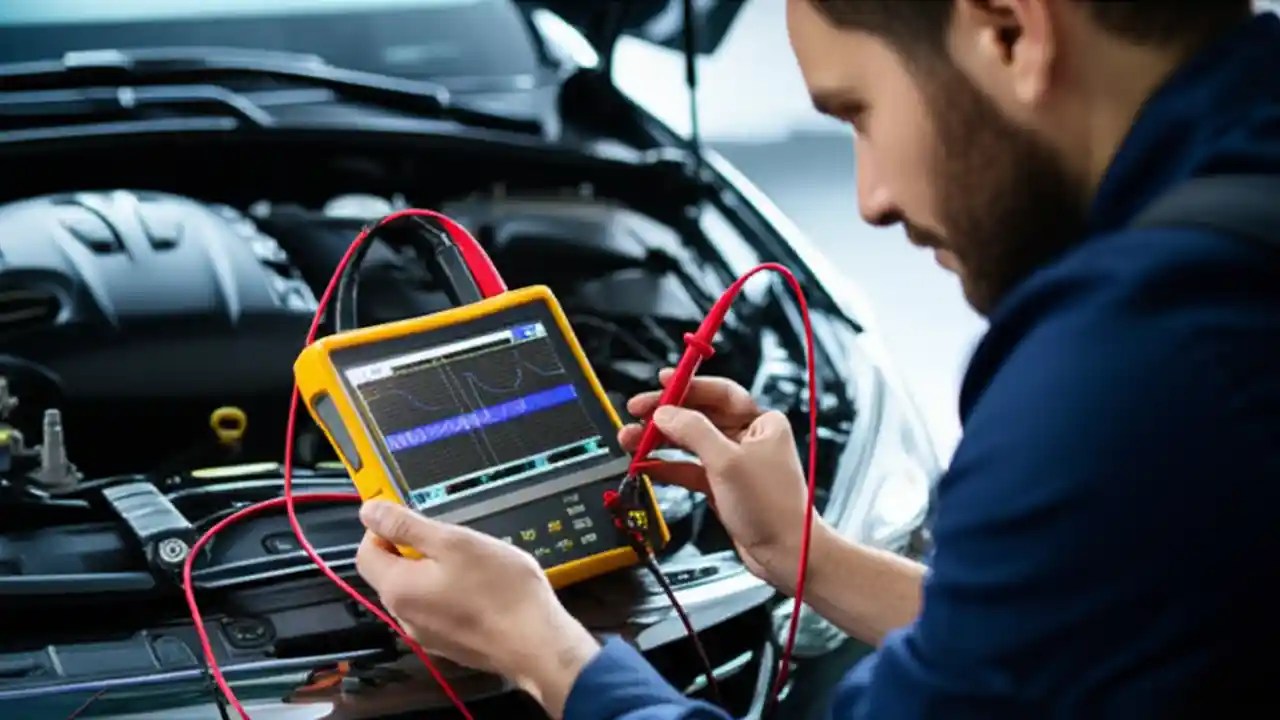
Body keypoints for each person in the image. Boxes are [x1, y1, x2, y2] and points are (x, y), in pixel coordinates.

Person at [353, 0, 1280, 717]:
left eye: (859, 111)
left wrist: (542, 652)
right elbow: (1069, 636)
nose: (870, 198)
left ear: (1008, 30)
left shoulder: (1138, 369)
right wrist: (809, 556)